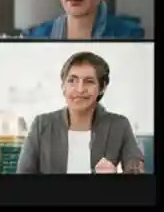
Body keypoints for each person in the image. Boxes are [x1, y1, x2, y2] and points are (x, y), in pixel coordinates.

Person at [16, 51, 145, 175]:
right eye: (72, 80)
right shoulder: (41, 124)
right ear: (63, 87)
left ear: (102, 87)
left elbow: (135, 167)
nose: (80, 89)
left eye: (89, 81)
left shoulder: (119, 125)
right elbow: (23, 175)